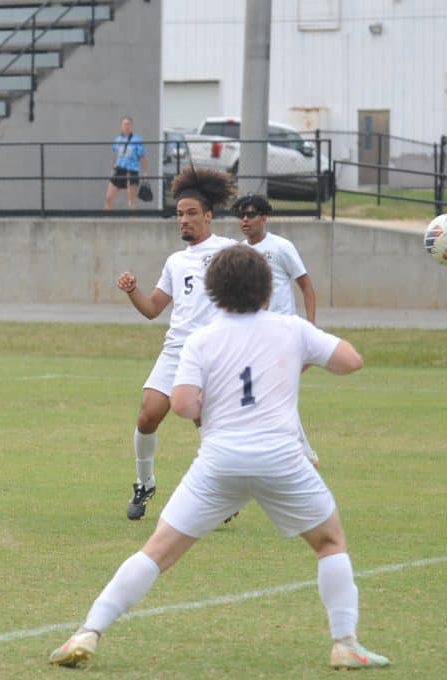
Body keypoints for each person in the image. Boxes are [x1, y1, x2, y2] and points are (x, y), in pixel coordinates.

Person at [49, 245, 389, 671]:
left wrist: (207, 403)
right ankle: (345, 643)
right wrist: (298, 359)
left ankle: (88, 632)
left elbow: (184, 404)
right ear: (266, 290)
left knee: (156, 552)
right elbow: (351, 361)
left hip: (220, 461)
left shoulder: (201, 339)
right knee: (329, 542)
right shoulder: (291, 328)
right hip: (281, 459)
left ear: (214, 292)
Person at [114, 165, 238, 521]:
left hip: (214, 354)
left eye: (192, 214)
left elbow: (252, 293)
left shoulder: (229, 252)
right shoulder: (175, 261)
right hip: (176, 351)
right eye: (180, 214)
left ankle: (222, 497)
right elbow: (154, 309)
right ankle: (145, 482)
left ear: (209, 216)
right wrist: (132, 290)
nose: (184, 220)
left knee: (209, 427)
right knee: (148, 415)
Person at [234, 192, 320, 465]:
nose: (245, 220)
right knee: (270, 392)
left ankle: (300, 452)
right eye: (242, 215)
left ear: (264, 218)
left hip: (283, 332)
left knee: (272, 390)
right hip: (253, 335)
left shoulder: (281, 247)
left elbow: (305, 285)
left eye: (251, 214)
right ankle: (301, 452)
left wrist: (310, 324)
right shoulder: (239, 251)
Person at [104, 115, 147, 210]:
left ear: (131, 126)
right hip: (119, 170)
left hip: (132, 170)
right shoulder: (118, 139)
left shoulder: (137, 139)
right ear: (121, 126)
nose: (126, 126)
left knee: (132, 200)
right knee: (108, 197)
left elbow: (142, 157)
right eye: (124, 124)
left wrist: (145, 172)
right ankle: (106, 221)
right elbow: (116, 155)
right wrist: (112, 168)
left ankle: (133, 222)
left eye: (128, 124)